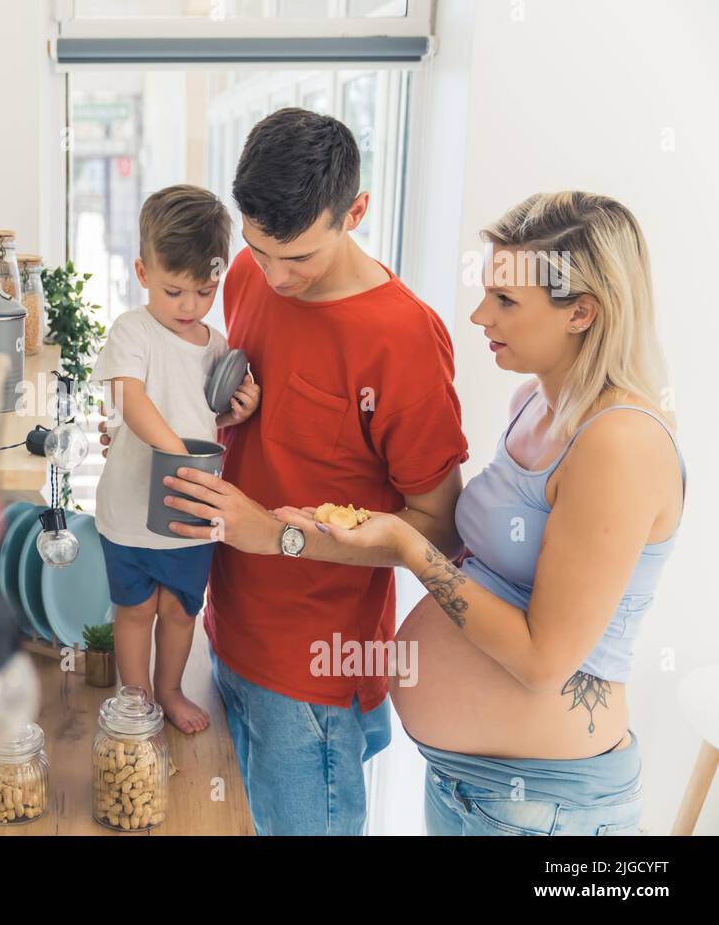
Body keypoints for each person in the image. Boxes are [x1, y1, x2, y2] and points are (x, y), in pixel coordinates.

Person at [106, 109, 468, 834]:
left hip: (312, 680)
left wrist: (278, 536)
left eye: (297, 257)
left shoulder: (405, 340)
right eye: (258, 250)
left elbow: (438, 530)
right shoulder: (242, 274)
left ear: (355, 212)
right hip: (219, 624)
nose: (273, 275)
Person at [277, 192, 683, 835]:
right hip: (475, 789)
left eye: (506, 301)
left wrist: (413, 551)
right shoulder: (535, 403)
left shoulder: (620, 443)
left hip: (547, 808)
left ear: (582, 311)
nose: (477, 314)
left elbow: (541, 660)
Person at [89, 184, 260, 735]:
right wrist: (175, 449)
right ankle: (136, 696)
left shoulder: (215, 344)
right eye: (174, 291)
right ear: (142, 272)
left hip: (190, 514)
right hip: (131, 510)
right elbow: (128, 397)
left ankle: (169, 688)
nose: (189, 307)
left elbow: (206, 416)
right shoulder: (132, 331)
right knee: (136, 609)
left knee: (181, 610)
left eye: (204, 292)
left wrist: (239, 411)